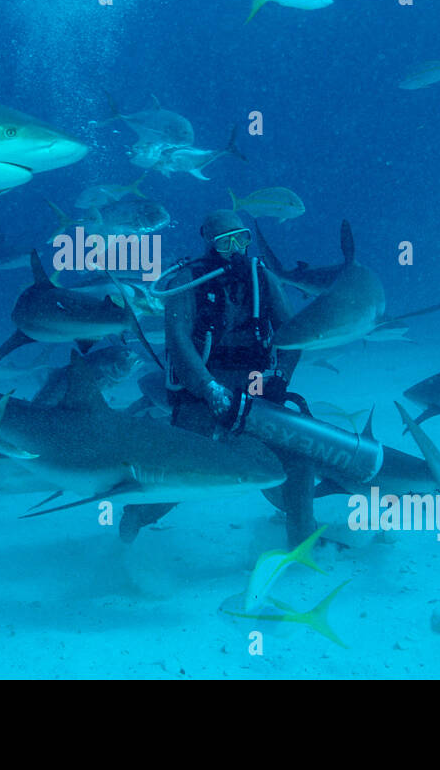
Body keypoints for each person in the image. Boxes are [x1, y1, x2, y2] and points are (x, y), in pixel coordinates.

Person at [119, 209, 316, 545]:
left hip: (254, 391)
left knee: (295, 462)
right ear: (209, 243)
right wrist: (208, 387)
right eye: (226, 243)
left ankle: (303, 541)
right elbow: (179, 342)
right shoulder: (186, 281)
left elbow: (293, 334)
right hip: (199, 396)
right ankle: (130, 527)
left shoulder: (262, 278)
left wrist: (281, 375)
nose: (236, 249)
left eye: (242, 239)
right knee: (183, 474)